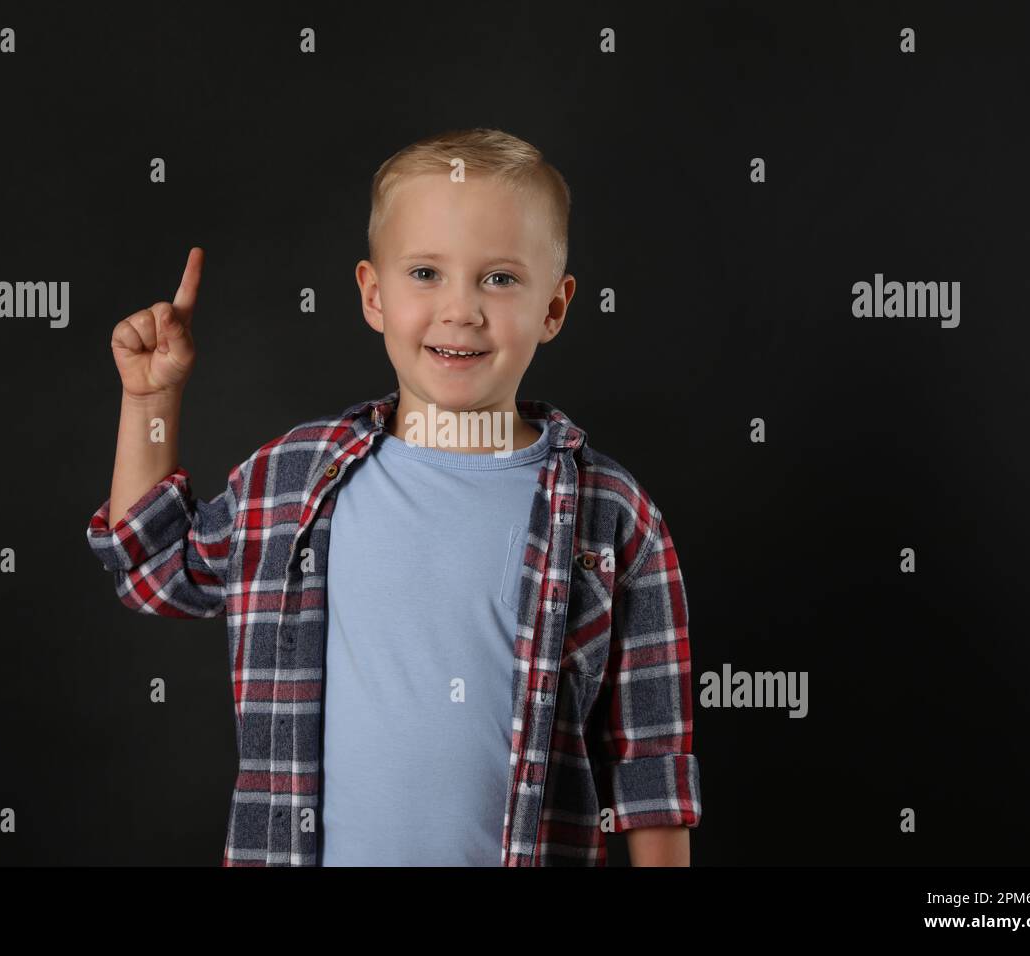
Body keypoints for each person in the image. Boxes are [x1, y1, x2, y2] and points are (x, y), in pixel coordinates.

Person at [85, 127, 702, 866]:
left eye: (500, 279)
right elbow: (154, 572)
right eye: (425, 274)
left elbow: (649, 769)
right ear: (373, 296)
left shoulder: (613, 514)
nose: (461, 310)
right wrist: (150, 400)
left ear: (555, 306)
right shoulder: (294, 479)